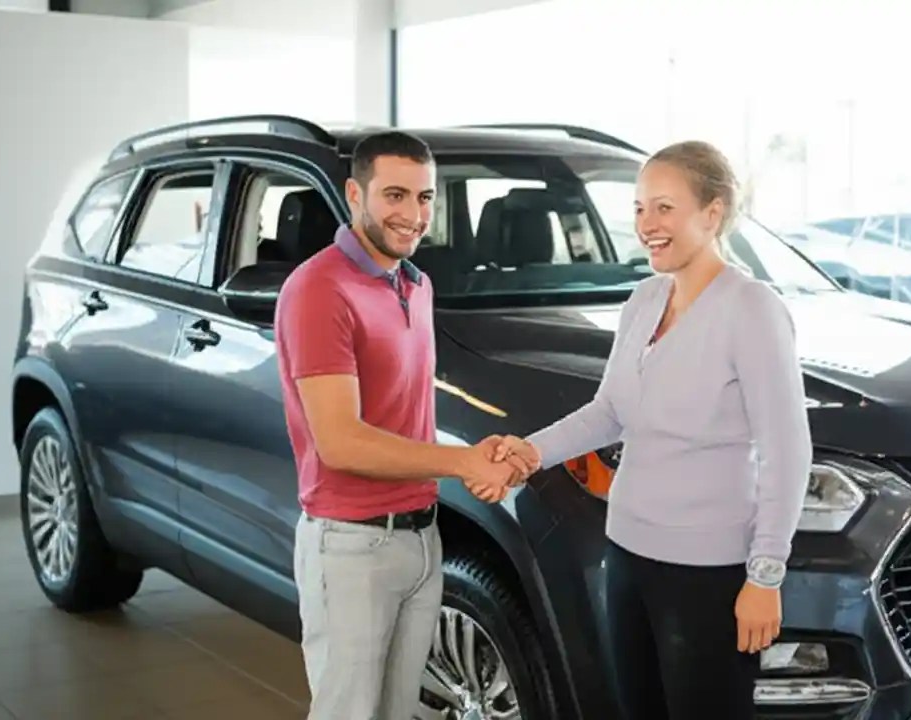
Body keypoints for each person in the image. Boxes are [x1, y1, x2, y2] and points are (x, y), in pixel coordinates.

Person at [492, 140, 812, 720]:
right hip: (628, 555)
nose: (646, 225)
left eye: (664, 208)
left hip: (708, 574)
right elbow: (610, 410)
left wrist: (765, 575)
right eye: (640, 208)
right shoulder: (643, 299)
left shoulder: (752, 309)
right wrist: (529, 451)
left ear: (712, 214)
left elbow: (787, 451)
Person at [274, 131, 526, 720]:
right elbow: (340, 442)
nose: (413, 215)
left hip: (421, 538)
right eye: (394, 195)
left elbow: (406, 417)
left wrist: (484, 453)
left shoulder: (415, 283)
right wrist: (464, 463)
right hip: (352, 546)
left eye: (425, 197)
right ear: (354, 193)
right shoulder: (318, 289)